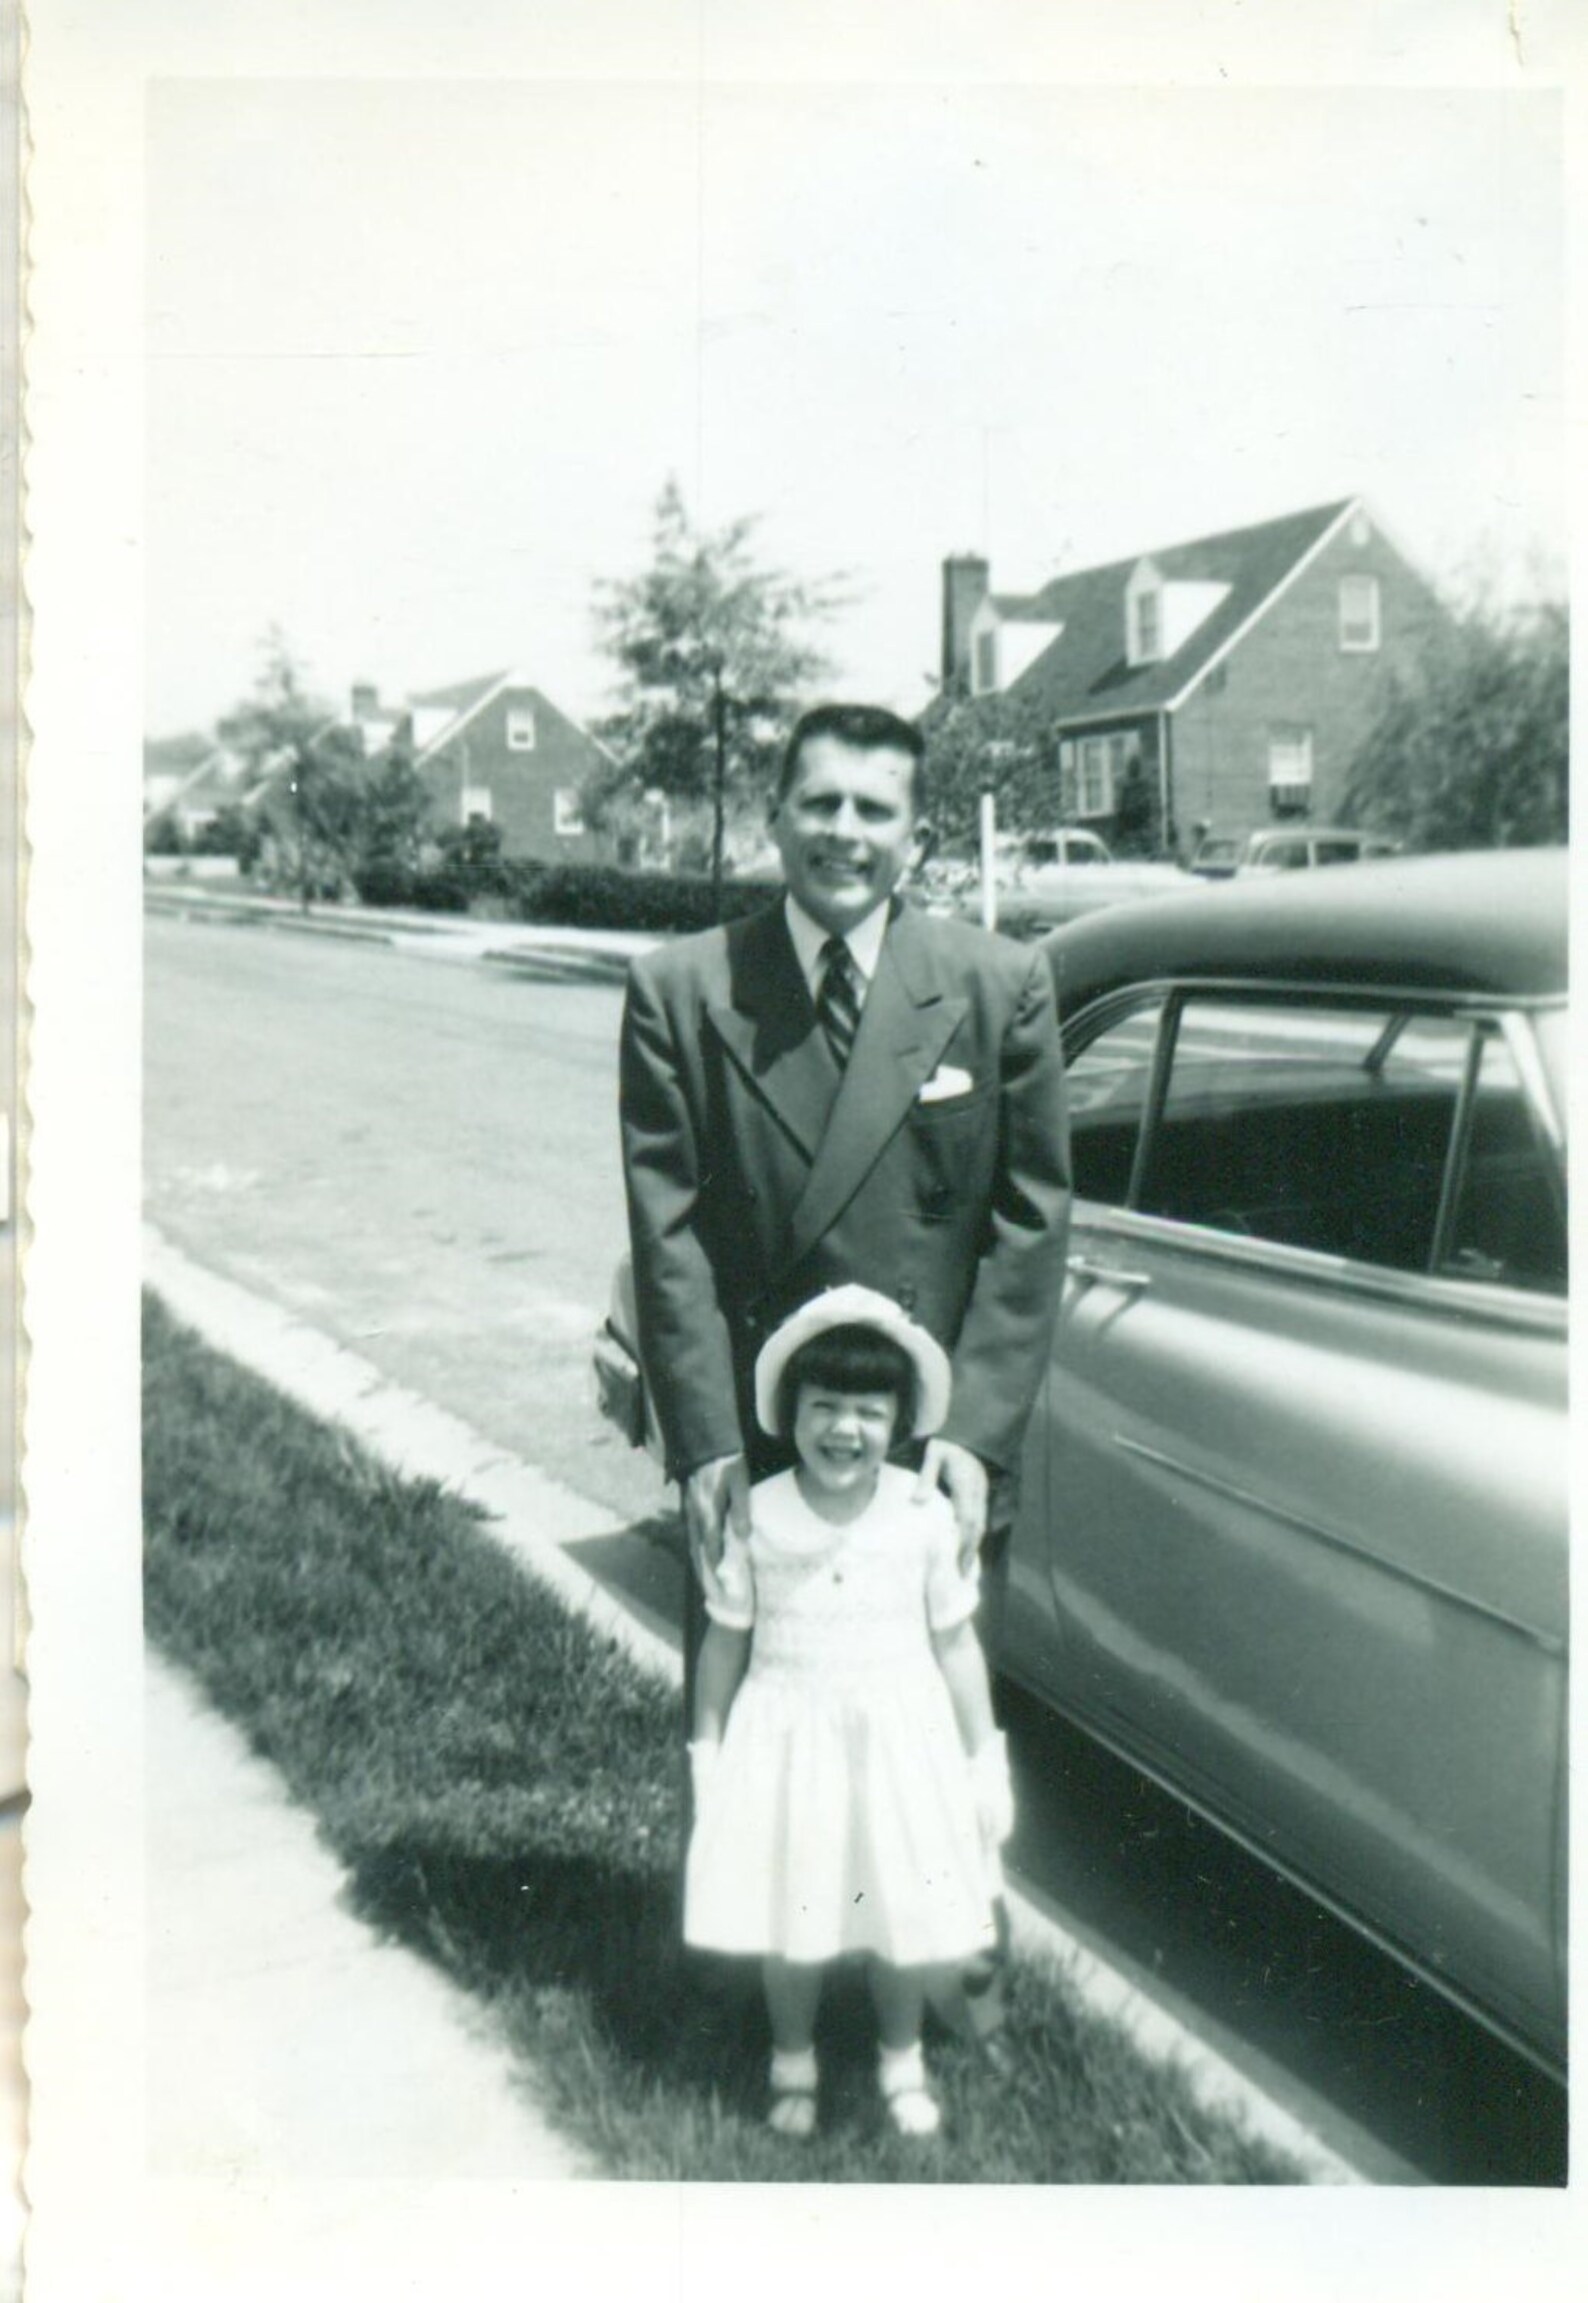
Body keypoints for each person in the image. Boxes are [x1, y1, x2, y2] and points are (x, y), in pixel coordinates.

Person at [619, 700, 1071, 2024]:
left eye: (875, 809)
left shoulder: (996, 984)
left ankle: (944, 1973)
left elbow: (1031, 1228)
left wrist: (975, 1437)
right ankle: (760, 1982)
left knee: (930, 1717)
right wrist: (705, 1441)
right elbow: (671, 1239)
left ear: (916, 834)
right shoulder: (685, 990)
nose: (844, 833)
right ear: (774, 814)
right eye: (819, 802)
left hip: (921, 1446)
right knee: (756, 1721)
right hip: (759, 1440)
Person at [684, 1286, 1014, 2139]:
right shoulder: (761, 1515)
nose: (844, 1429)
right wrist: (707, 1748)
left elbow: (955, 1644)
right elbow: (725, 1642)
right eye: (824, 1406)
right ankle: (792, 2056)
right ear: (788, 1412)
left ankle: (899, 2055)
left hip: (899, 1745)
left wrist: (985, 1758)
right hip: (788, 1739)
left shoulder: (921, 1516)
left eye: (869, 1411)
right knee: (791, 1915)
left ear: (901, 1420)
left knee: (900, 1908)